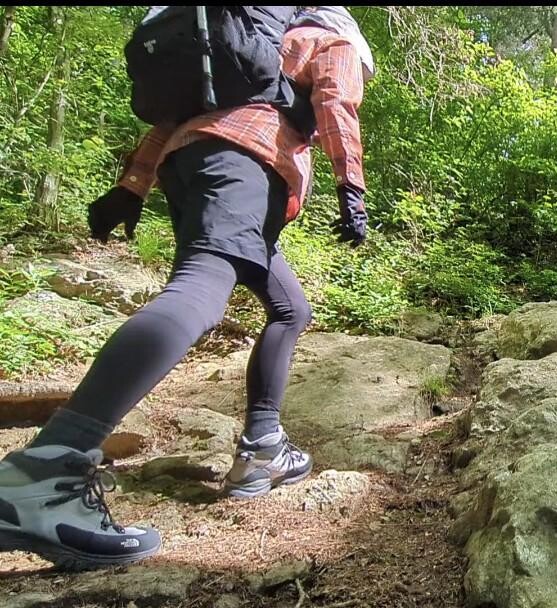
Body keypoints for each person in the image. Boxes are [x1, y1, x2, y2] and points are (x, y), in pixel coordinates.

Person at [0, 6, 373, 570]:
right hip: (245, 166)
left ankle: (263, 448)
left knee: (290, 308)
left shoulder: (247, 45)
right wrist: (352, 187)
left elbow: (178, 117)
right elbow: (337, 104)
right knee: (201, 289)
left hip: (194, 164)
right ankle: (47, 467)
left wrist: (132, 185)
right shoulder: (331, 39)